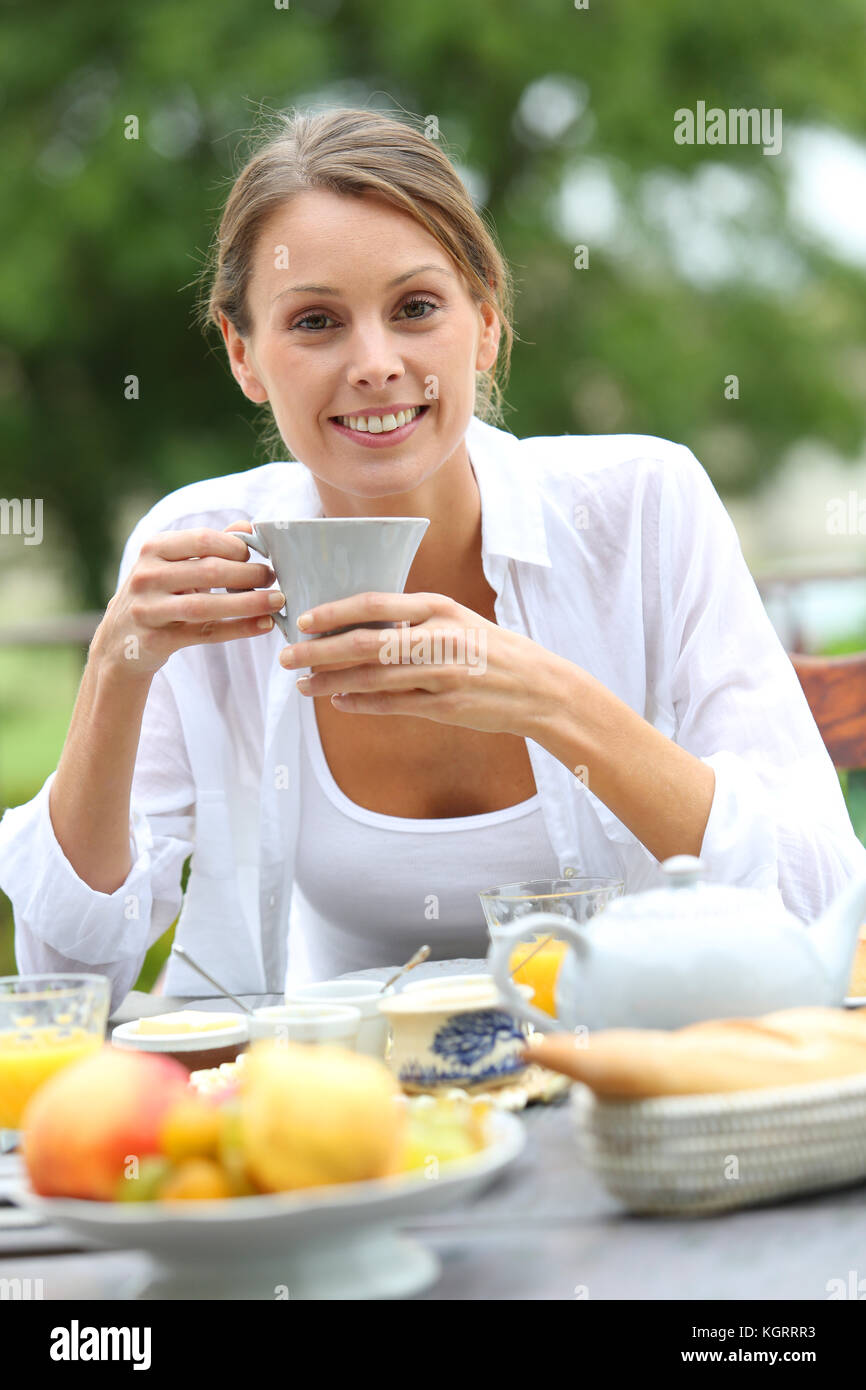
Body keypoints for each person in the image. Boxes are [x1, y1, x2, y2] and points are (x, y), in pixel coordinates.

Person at [2, 107, 865, 1012]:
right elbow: (70, 984)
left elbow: (820, 903)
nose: (375, 363)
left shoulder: (644, 508)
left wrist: (551, 700)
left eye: (415, 308)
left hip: (631, 1084)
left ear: (484, 325)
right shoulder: (201, 555)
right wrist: (114, 671)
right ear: (243, 354)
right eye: (316, 321)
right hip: (344, 1118)